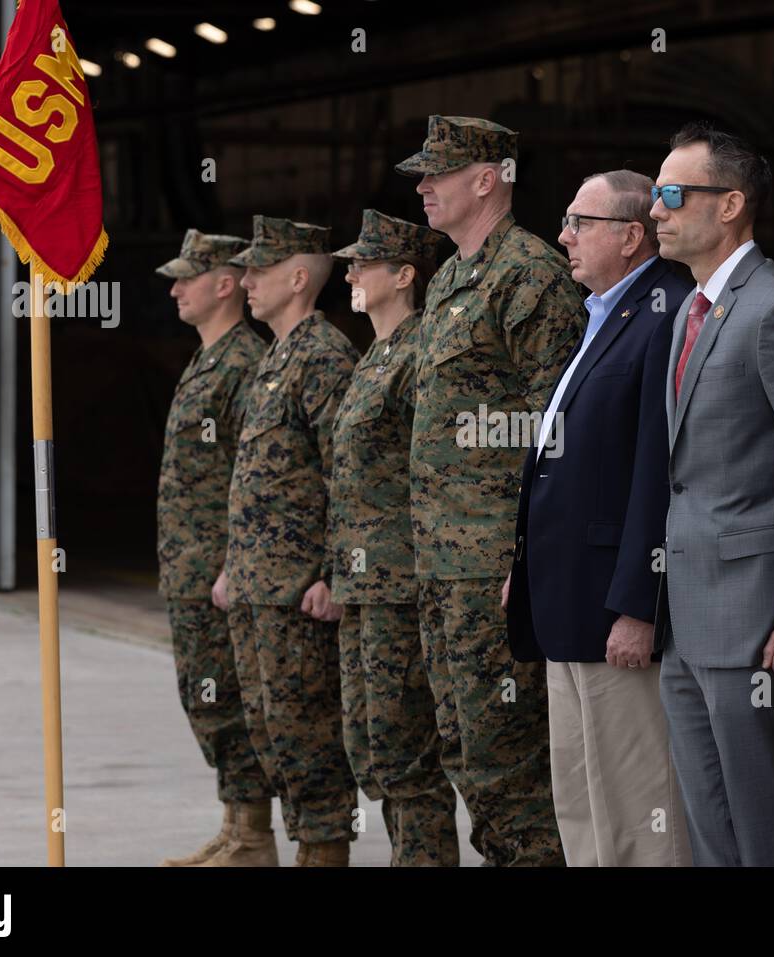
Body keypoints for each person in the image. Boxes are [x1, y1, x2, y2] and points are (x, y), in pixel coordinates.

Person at [650, 123, 774, 867]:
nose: (656, 211)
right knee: (709, 830)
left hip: (754, 618)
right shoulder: (697, 308)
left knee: (765, 828)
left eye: (673, 194)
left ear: (730, 204)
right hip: (688, 616)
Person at [395, 115, 582, 866]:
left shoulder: (530, 273)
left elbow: (559, 429)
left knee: (511, 763)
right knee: (462, 747)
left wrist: (528, 554)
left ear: (486, 179)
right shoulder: (447, 277)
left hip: (491, 567)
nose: (422, 186)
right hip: (442, 563)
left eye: (436, 173)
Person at [503, 169, 694, 866]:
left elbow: (657, 472)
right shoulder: (604, 313)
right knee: (580, 793)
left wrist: (639, 602)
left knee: (640, 803)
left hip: (617, 603)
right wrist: (528, 565)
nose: (564, 236)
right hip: (569, 595)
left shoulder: (664, 314)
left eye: (580, 222)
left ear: (630, 235)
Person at [212, 215, 360, 867]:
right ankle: (296, 846)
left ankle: (323, 854)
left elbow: (346, 473)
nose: (244, 280)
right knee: (272, 733)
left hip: (298, 591)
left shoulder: (324, 355)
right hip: (257, 586)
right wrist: (232, 568)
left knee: (309, 737)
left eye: (259, 269)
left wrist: (335, 573)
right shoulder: (275, 357)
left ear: (298, 278)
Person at [327, 210, 459, 866]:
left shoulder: (419, 350)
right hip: (363, 583)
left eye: (363, 263)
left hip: (401, 583)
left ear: (404, 274)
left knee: (407, 748)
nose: (349, 273)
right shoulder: (374, 355)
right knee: (374, 744)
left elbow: (432, 471)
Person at [153, 230, 275, 867]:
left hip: (219, 572)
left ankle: (252, 838)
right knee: (205, 697)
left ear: (223, 284)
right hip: (190, 568)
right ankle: (235, 827)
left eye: (186, 277)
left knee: (226, 698)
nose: (175, 290)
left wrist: (235, 561)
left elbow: (250, 475)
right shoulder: (208, 359)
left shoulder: (243, 364)